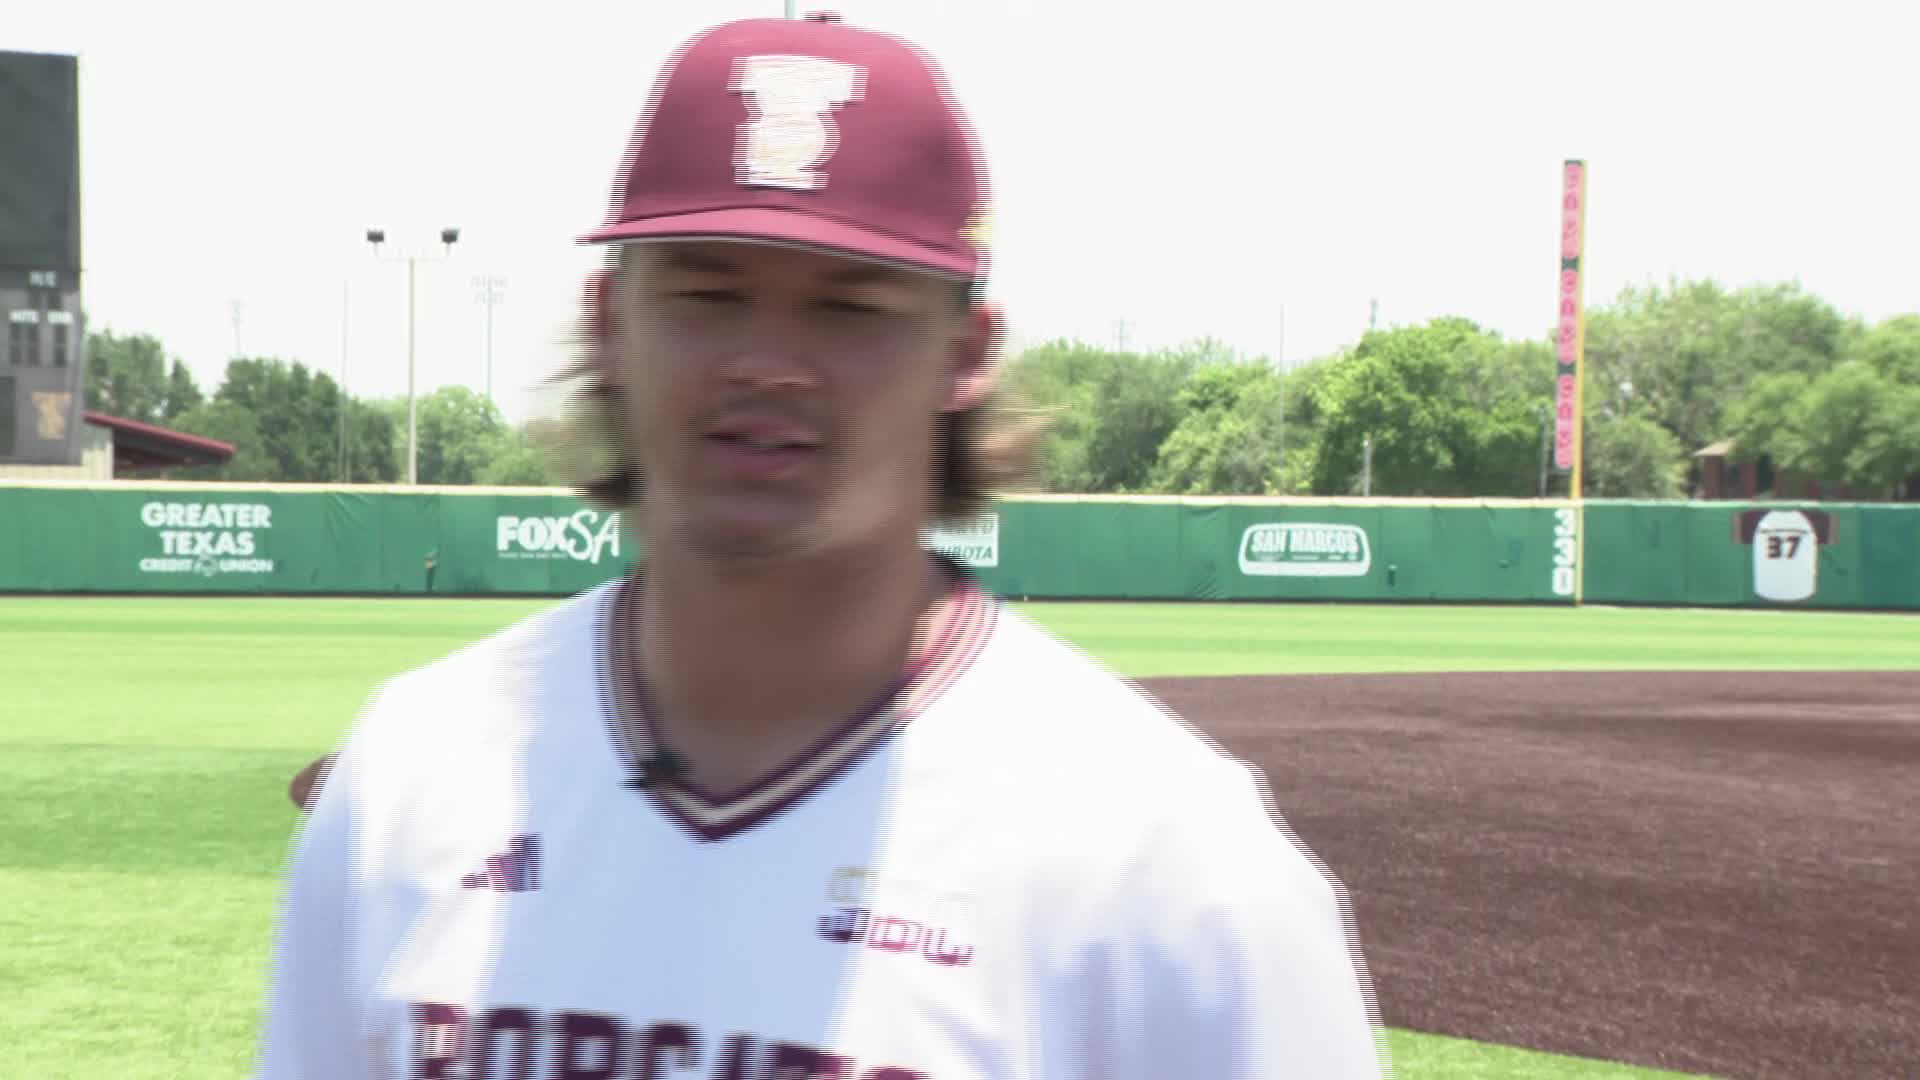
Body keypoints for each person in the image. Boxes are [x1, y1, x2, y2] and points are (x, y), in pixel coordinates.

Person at [260, 12, 1388, 1079]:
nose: (768, 360)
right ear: (611, 325)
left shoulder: (1168, 868)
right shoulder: (414, 772)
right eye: (709, 292)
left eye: (851, 307)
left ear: (966, 354)